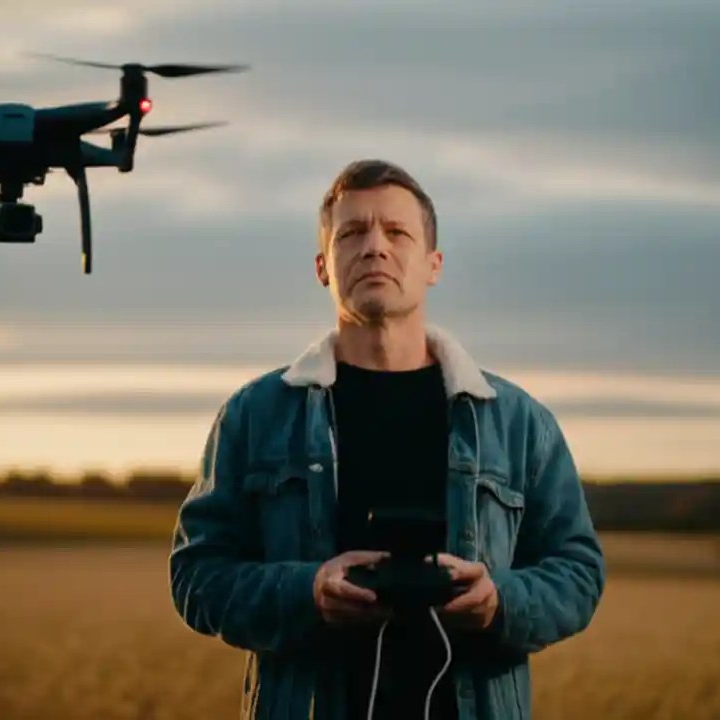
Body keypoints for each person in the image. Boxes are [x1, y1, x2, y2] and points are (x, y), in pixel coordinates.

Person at [169, 159, 606, 720]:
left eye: (396, 232)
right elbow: (196, 575)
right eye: (352, 233)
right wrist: (306, 593)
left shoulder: (518, 422)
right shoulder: (255, 415)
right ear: (323, 265)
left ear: (433, 264)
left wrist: (501, 602)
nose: (375, 246)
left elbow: (578, 569)